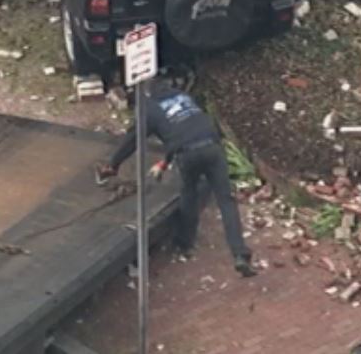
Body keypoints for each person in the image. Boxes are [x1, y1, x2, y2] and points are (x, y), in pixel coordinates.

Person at [98, 79, 256, 278]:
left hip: (187, 154)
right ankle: (240, 254)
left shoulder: (150, 109)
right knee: (226, 200)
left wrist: (113, 164)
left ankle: (185, 243)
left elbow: (132, 140)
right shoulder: (183, 96)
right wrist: (165, 162)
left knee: (189, 194)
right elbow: (186, 128)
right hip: (213, 147)